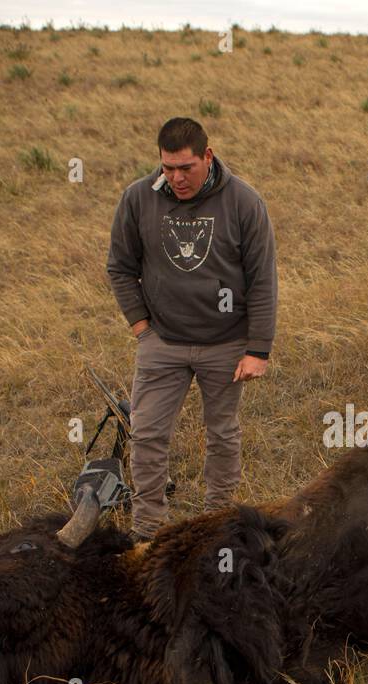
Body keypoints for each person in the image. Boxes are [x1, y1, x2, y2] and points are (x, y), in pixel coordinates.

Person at [106, 117, 277, 542]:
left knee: (222, 434)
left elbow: (262, 279)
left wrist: (258, 349)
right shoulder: (138, 199)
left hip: (227, 343)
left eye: (186, 168)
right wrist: (142, 328)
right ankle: (147, 531)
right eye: (168, 168)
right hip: (162, 342)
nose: (177, 178)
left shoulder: (243, 202)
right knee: (146, 434)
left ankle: (216, 526)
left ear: (208, 156)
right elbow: (120, 267)